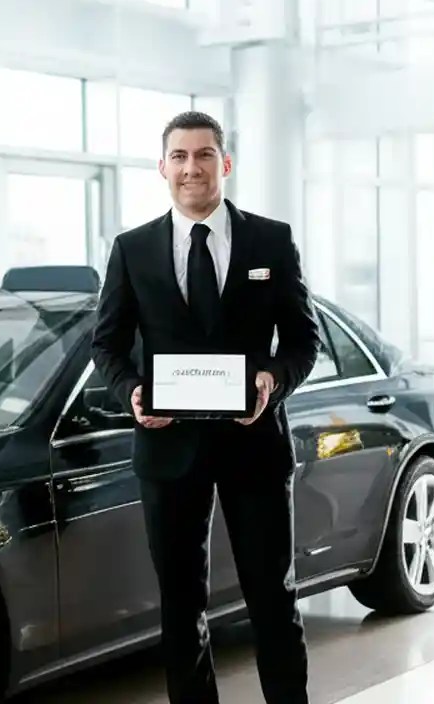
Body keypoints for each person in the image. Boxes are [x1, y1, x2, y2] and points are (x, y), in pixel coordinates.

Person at [91, 111, 320, 704]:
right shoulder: (132, 249)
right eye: (179, 156)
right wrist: (131, 392)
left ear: (226, 163)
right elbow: (107, 345)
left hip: (255, 445)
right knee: (181, 607)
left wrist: (272, 380)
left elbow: (303, 341)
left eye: (203, 155)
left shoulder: (271, 240)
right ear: (162, 167)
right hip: (169, 450)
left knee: (273, 597)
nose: (191, 168)